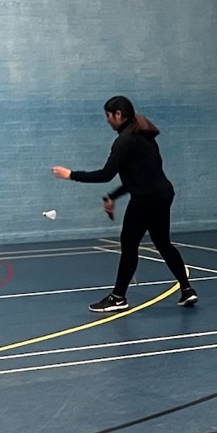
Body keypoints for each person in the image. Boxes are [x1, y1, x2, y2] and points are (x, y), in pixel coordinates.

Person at [51, 96, 197, 312]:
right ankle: (187, 290)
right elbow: (140, 177)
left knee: (129, 244)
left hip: (146, 200)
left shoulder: (125, 140)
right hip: (163, 195)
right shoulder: (144, 136)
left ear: (118, 114)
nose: (107, 121)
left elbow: (106, 174)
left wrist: (70, 174)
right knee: (163, 243)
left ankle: (118, 297)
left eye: (108, 116)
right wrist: (113, 197)